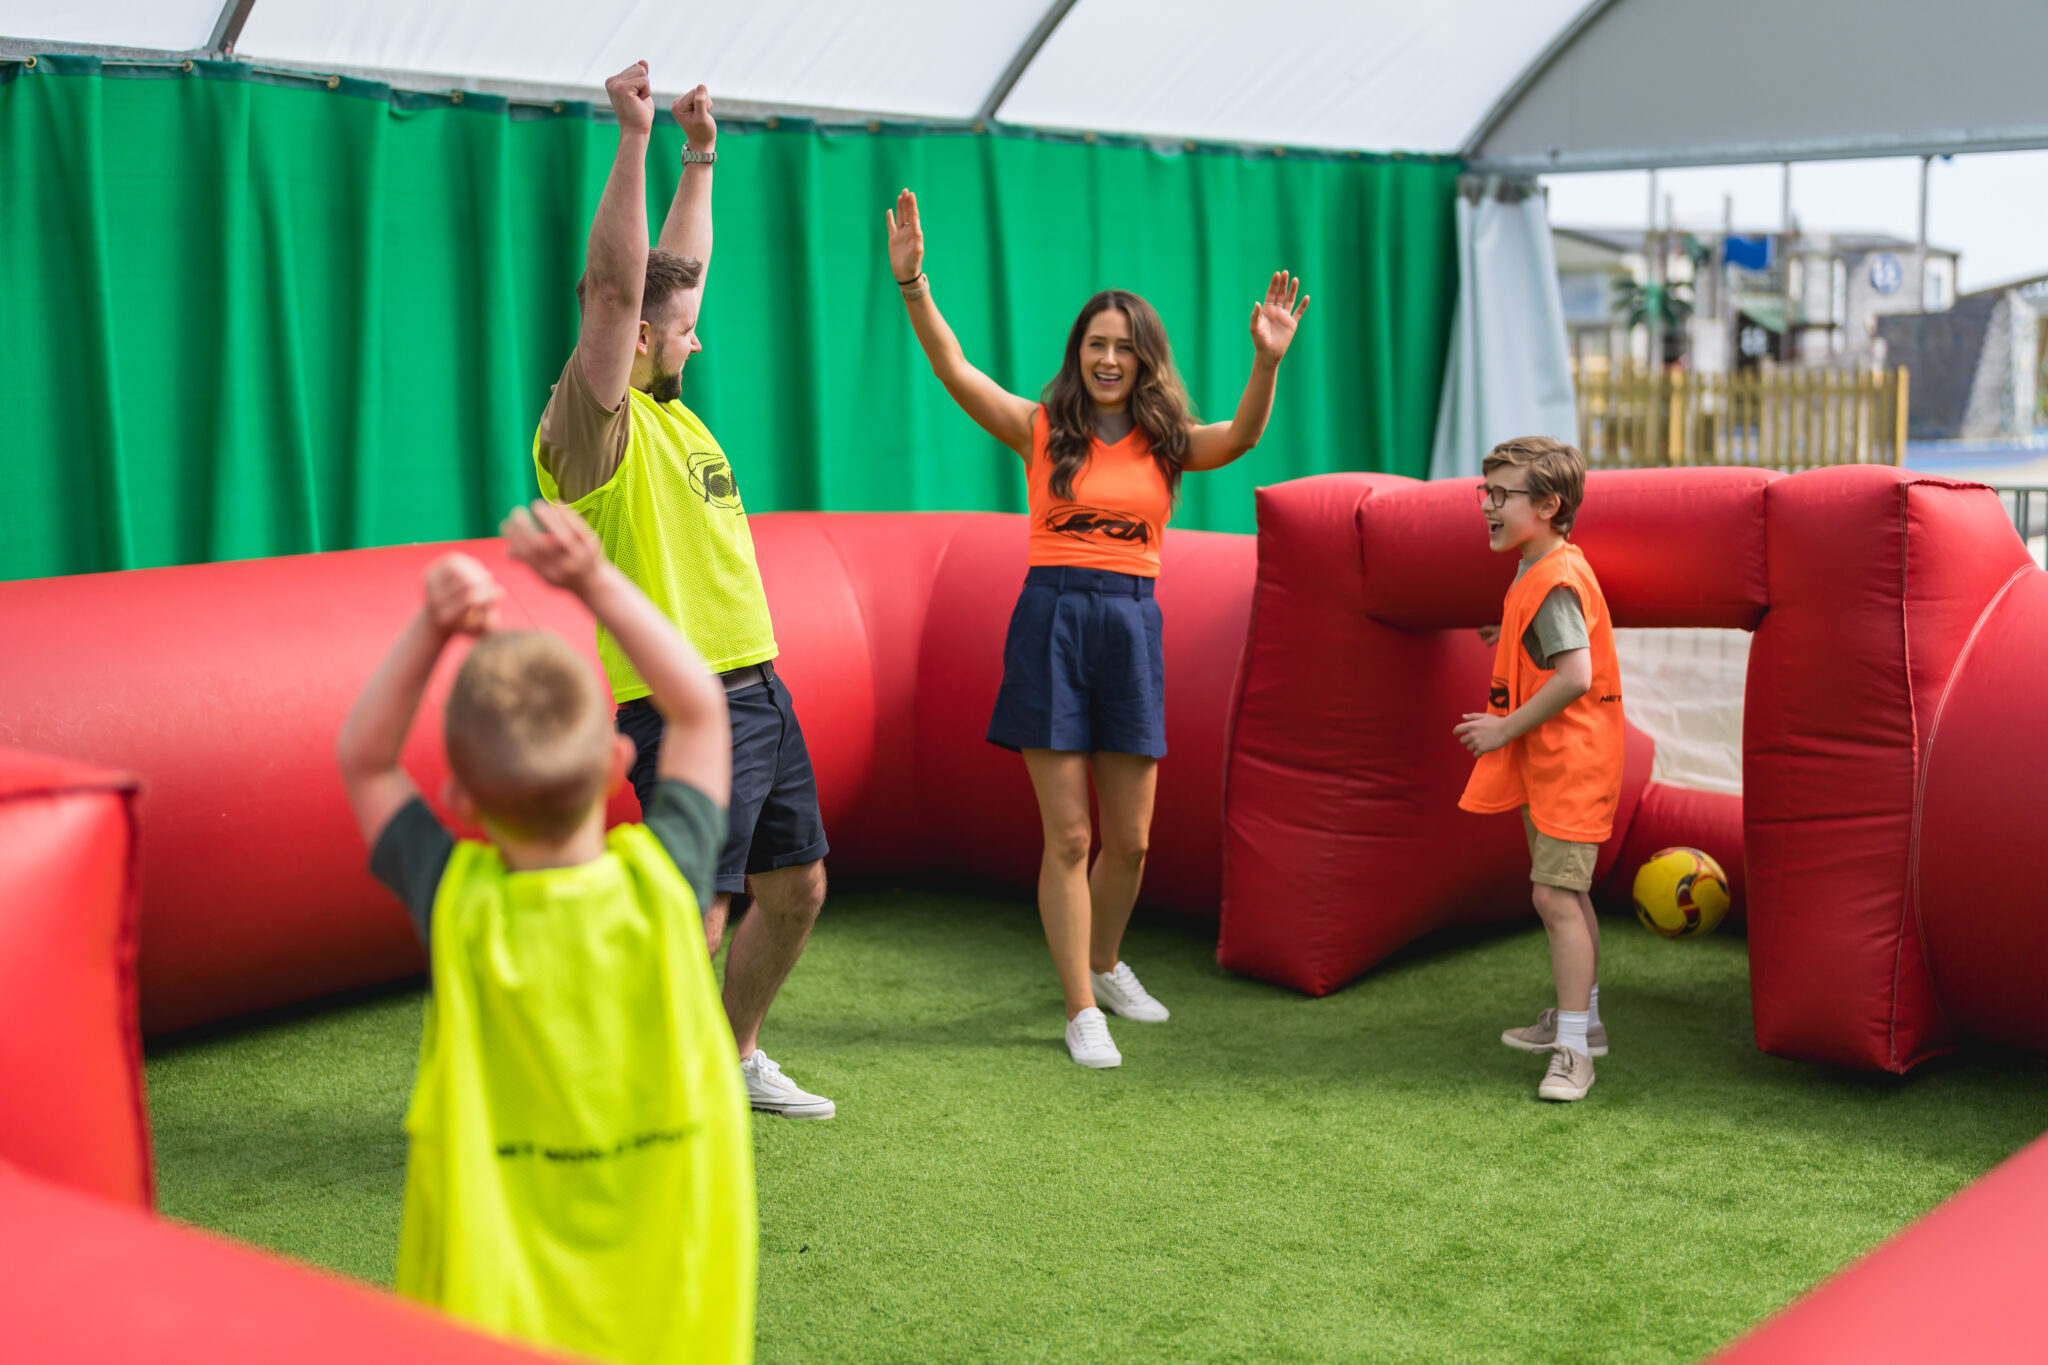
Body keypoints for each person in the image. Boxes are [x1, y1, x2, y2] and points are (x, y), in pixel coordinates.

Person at [884, 186, 1309, 1069]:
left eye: (1123, 347)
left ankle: (1107, 962)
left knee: (1136, 839)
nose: (1108, 358)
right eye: (1095, 345)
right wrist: (915, 284)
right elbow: (957, 372)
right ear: (1077, 355)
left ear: (1145, 359)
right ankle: (1081, 1005)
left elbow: (1238, 436)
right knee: (1070, 837)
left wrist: (1266, 360)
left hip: (1131, 628)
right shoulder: (1041, 429)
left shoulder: (1165, 442)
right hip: (1052, 621)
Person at [335, 500, 754, 1364]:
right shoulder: (666, 883)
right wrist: (594, 578)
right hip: (670, 1290)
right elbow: (702, 711)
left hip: (497, 1303)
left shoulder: (459, 902)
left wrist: (432, 625)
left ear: (457, 799)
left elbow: (365, 760)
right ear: (617, 763)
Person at [533, 62, 832, 1119]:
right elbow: (623, 291)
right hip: (678, 700)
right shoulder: (592, 423)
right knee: (690, 912)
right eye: (680, 326)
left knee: (794, 887)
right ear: (635, 342)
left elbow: (670, 280)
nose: (696, 331)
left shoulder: (678, 411)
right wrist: (634, 138)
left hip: (756, 686)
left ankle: (729, 1052)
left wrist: (701, 158)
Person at [1453, 437, 1624, 1103]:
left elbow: (1576, 673)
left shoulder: (1552, 578)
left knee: (1554, 897)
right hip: (1559, 764)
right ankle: (1586, 1019)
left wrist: (1502, 728)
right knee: (1568, 894)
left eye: (1502, 496)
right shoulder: (1542, 565)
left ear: (1549, 506)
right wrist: (1511, 632)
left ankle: (1574, 1049)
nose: (1488, 507)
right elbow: (1554, 638)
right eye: (1485, 493)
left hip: (1569, 764)